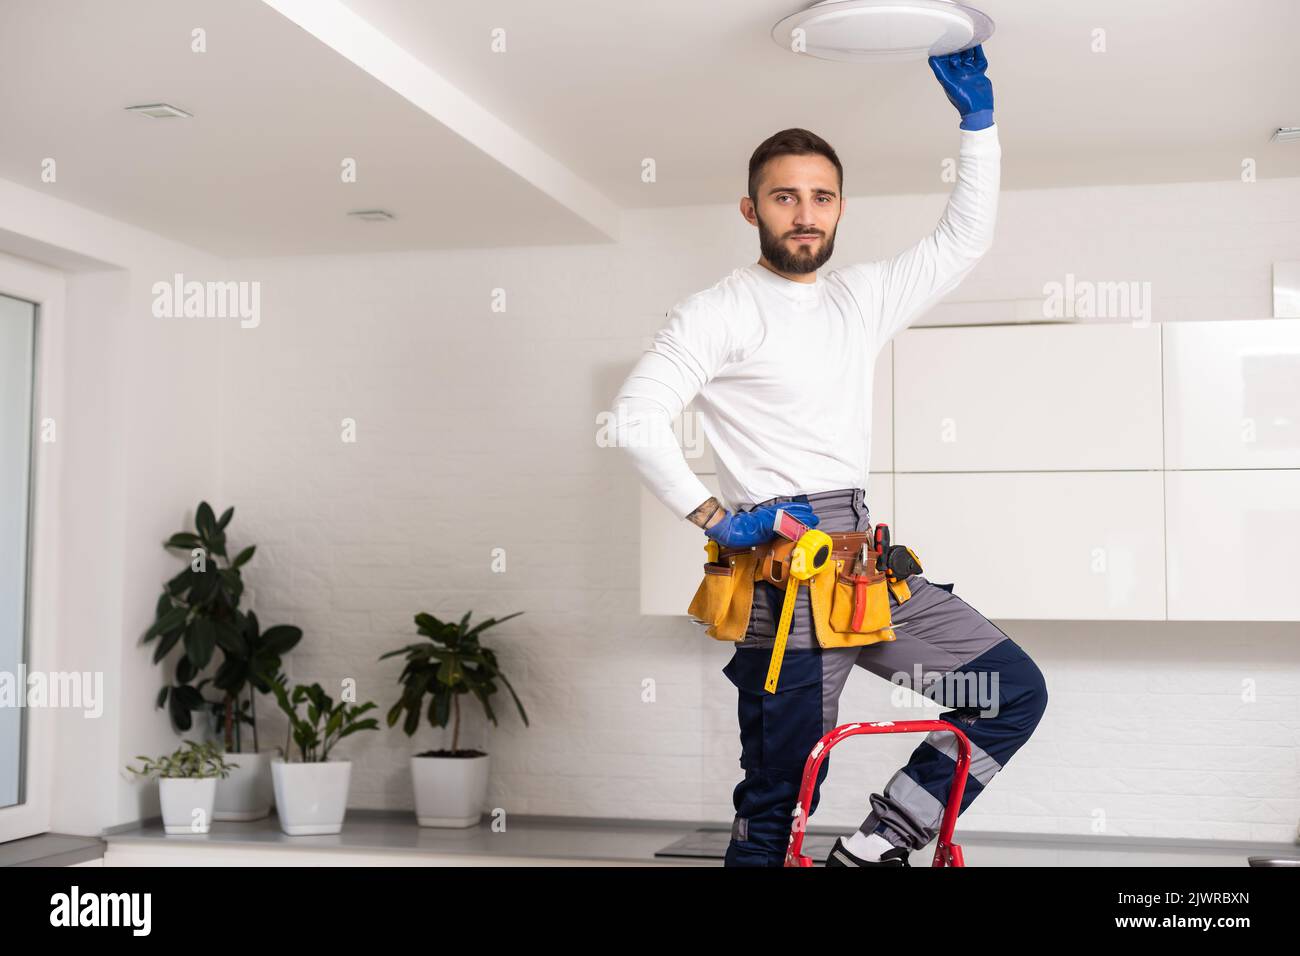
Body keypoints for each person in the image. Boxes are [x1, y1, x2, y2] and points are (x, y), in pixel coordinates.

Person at [609, 45, 1047, 867]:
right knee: (780, 802)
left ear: (841, 207)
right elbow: (633, 419)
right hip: (784, 577)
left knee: (1008, 694)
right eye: (784, 197)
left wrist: (978, 125)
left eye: (821, 197)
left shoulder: (861, 296)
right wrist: (718, 517)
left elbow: (963, 241)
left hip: (866, 574)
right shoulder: (717, 312)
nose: (804, 213)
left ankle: (878, 847)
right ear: (752, 210)